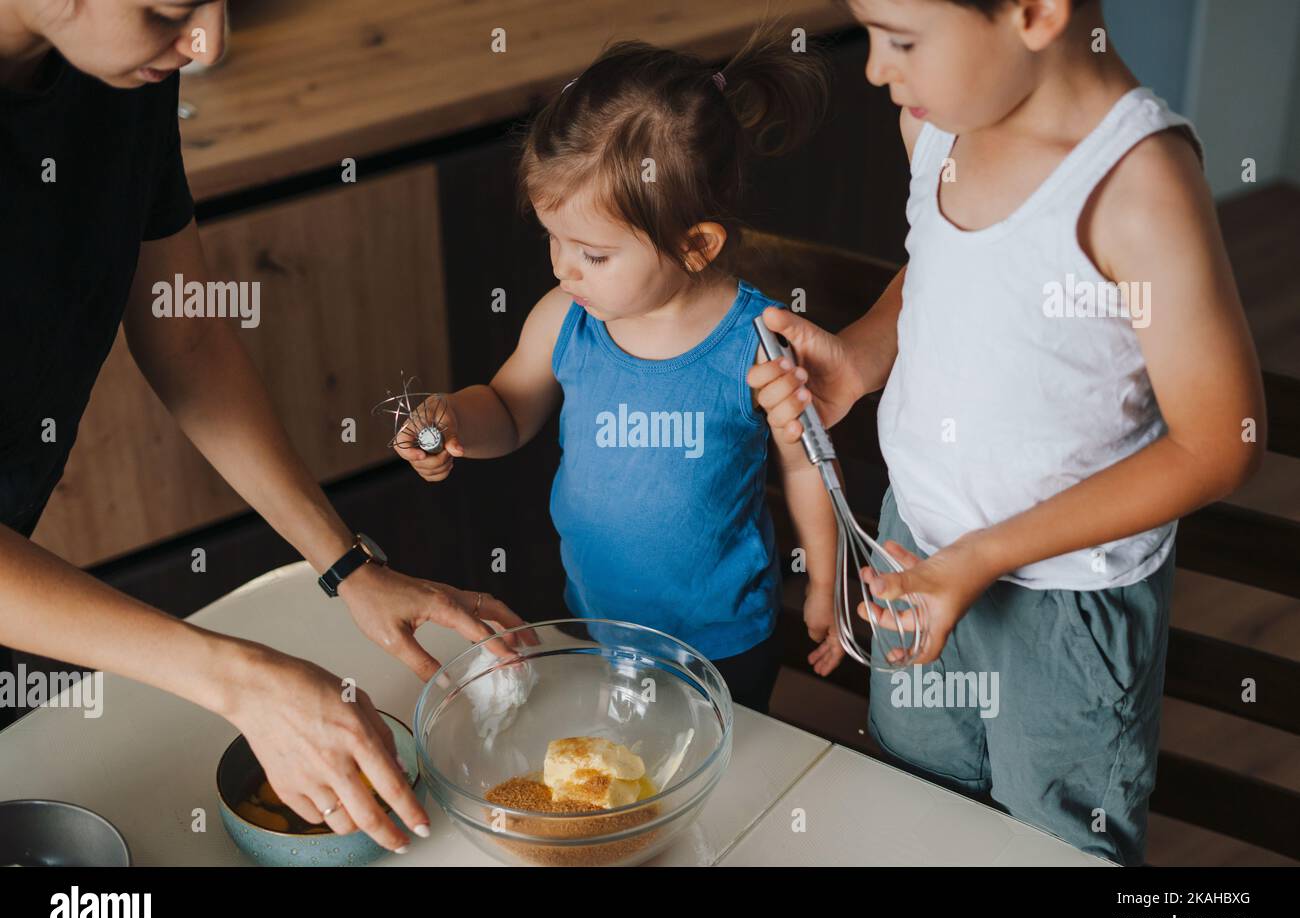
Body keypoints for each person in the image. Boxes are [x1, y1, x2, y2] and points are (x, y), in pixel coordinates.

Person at [0, 0, 525, 853]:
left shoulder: (124, 69)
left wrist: (346, 566)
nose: (203, 42)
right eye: (171, 9)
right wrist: (243, 681)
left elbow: (188, 333)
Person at [748, 0, 1265, 864]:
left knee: (1051, 844)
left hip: (1062, 606)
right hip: (916, 551)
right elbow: (945, 271)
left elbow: (1222, 442)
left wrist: (984, 558)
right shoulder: (938, 122)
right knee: (915, 809)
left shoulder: (1136, 187)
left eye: (902, 41)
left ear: (1034, 13)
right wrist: (861, 360)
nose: (875, 69)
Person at [396, 30, 845, 714]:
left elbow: (806, 464)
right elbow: (509, 407)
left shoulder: (757, 340)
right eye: (554, 237)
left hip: (725, 641)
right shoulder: (566, 316)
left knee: (724, 773)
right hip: (596, 618)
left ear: (694, 246)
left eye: (593, 255)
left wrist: (822, 581)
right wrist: (454, 419)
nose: (562, 267)